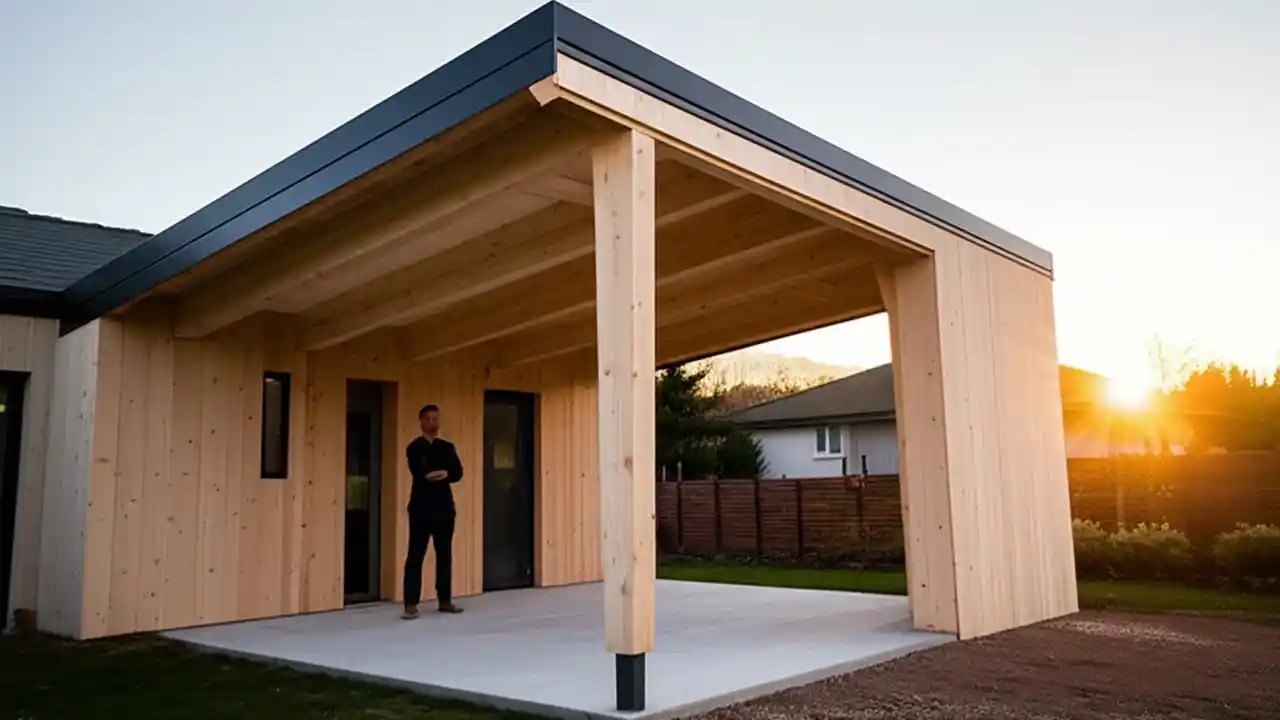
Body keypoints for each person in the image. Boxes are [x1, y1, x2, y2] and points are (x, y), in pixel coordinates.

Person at [402, 404, 464, 618]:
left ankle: (445, 600)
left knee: (444, 554)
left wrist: (443, 473)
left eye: (435, 419)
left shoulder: (447, 447)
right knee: (415, 554)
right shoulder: (414, 448)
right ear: (421, 422)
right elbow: (422, 473)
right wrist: (442, 472)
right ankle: (410, 603)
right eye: (428, 419)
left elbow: (457, 472)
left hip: (444, 508)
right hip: (420, 508)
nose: (432, 423)